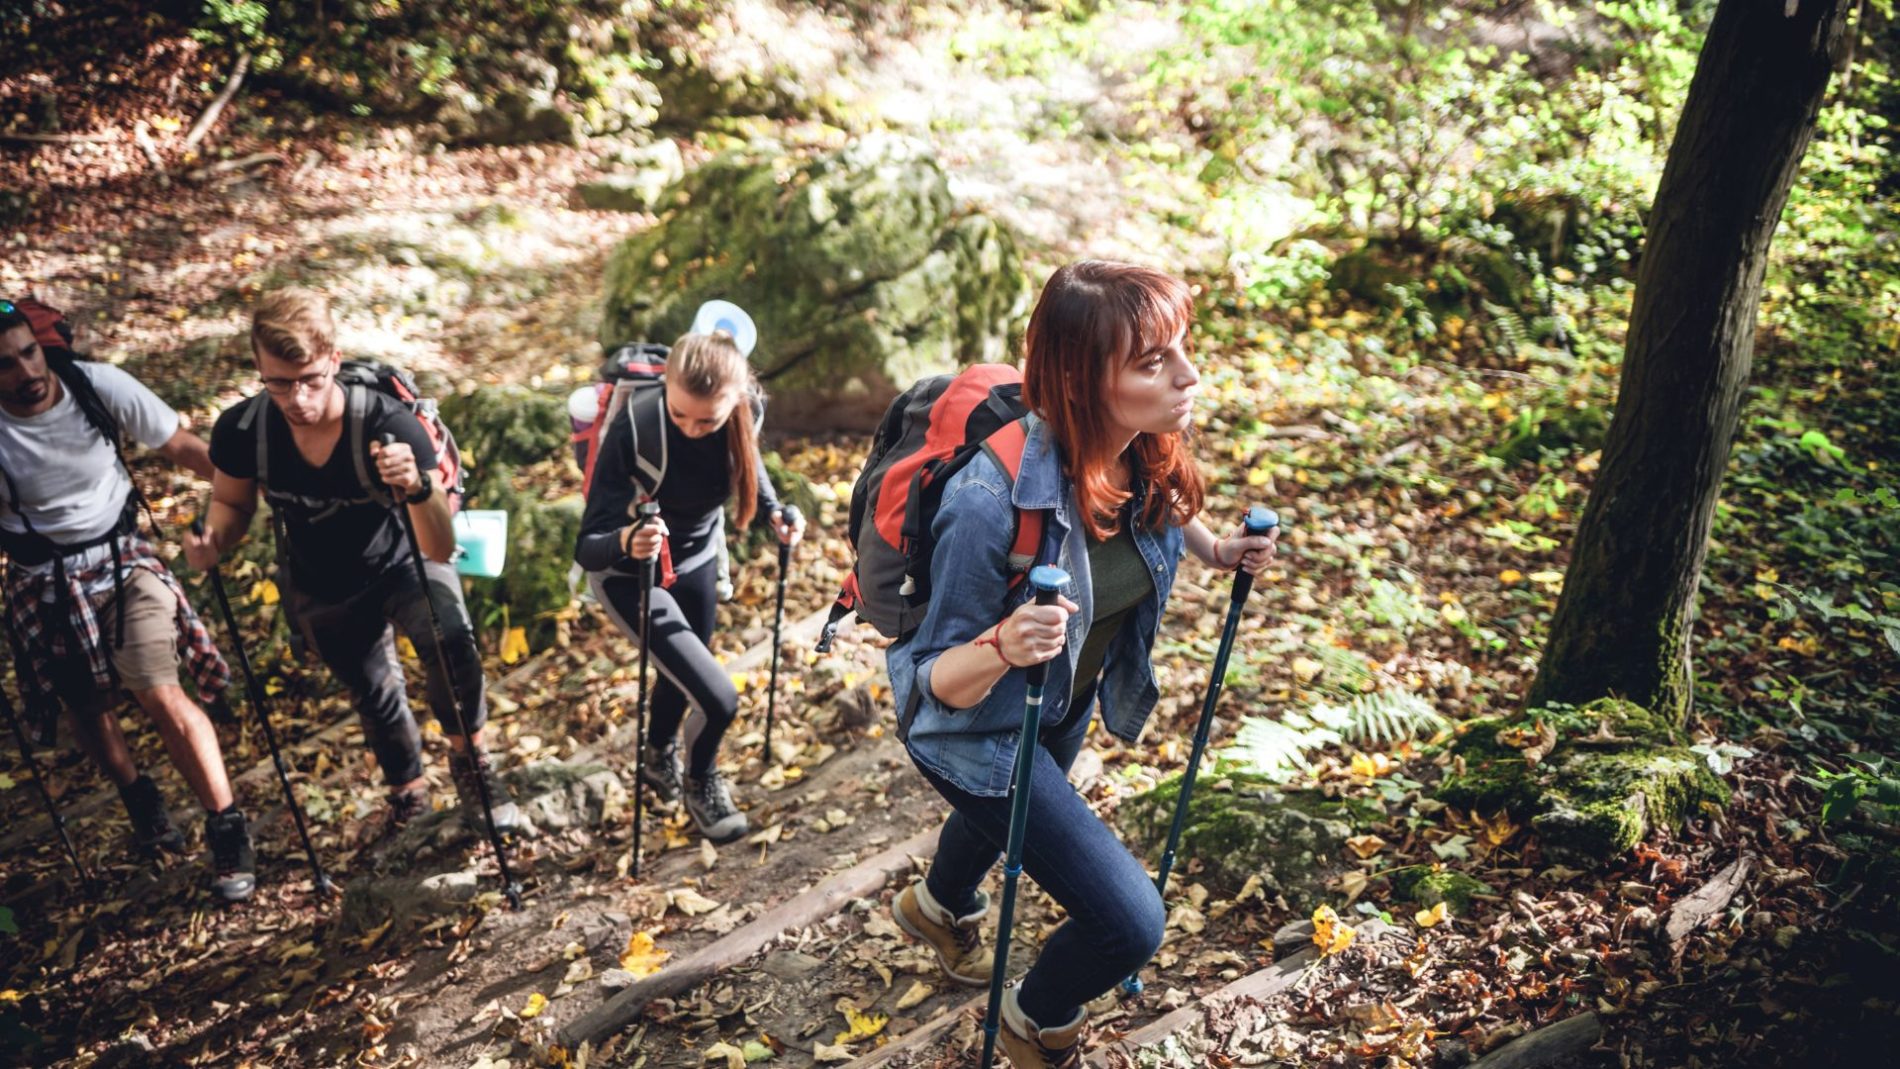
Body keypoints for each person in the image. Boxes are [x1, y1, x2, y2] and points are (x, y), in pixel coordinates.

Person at [883, 262, 1278, 1067]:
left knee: (1006, 816)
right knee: (1131, 923)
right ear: (1080, 378)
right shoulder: (988, 503)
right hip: (975, 731)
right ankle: (1036, 1016)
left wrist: (1217, 549)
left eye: (1181, 349)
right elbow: (932, 687)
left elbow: (1163, 512)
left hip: (1061, 702)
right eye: (1153, 360)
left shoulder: (1145, 445)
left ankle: (938, 904)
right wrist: (1002, 643)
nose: (1187, 374)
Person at [184, 288, 520, 837]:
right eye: (279, 383)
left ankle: (471, 762)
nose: (297, 398)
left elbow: (438, 547)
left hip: (403, 557)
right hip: (320, 577)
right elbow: (231, 502)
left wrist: (414, 485)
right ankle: (408, 791)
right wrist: (213, 541)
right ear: (259, 370)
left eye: (311, 379)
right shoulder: (244, 431)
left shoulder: (390, 426)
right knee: (373, 689)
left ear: (334, 361)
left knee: (448, 635)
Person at [0, 297, 255, 902]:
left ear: (43, 345)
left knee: (158, 688)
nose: (27, 373)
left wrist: (242, 497)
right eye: (5, 365)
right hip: (42, 579)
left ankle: (227, 827)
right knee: (86, 706)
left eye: (29, 353)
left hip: (123, 561)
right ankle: (140, 797)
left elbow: (185, 449)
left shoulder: (96, 384)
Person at [574, 304, 802, 845]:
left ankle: (659, 759)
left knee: (680, 675)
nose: (693, 429)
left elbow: (749, 460)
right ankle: (702, 780)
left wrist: (773, 510)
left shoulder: (746, 412)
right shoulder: (638, 423)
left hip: (697, 559)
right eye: (681, 415)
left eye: (709, 420)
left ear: (737, 401)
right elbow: (588, 545)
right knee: (719, 698)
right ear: (666, 388)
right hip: (633, 572)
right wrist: (630, 540)